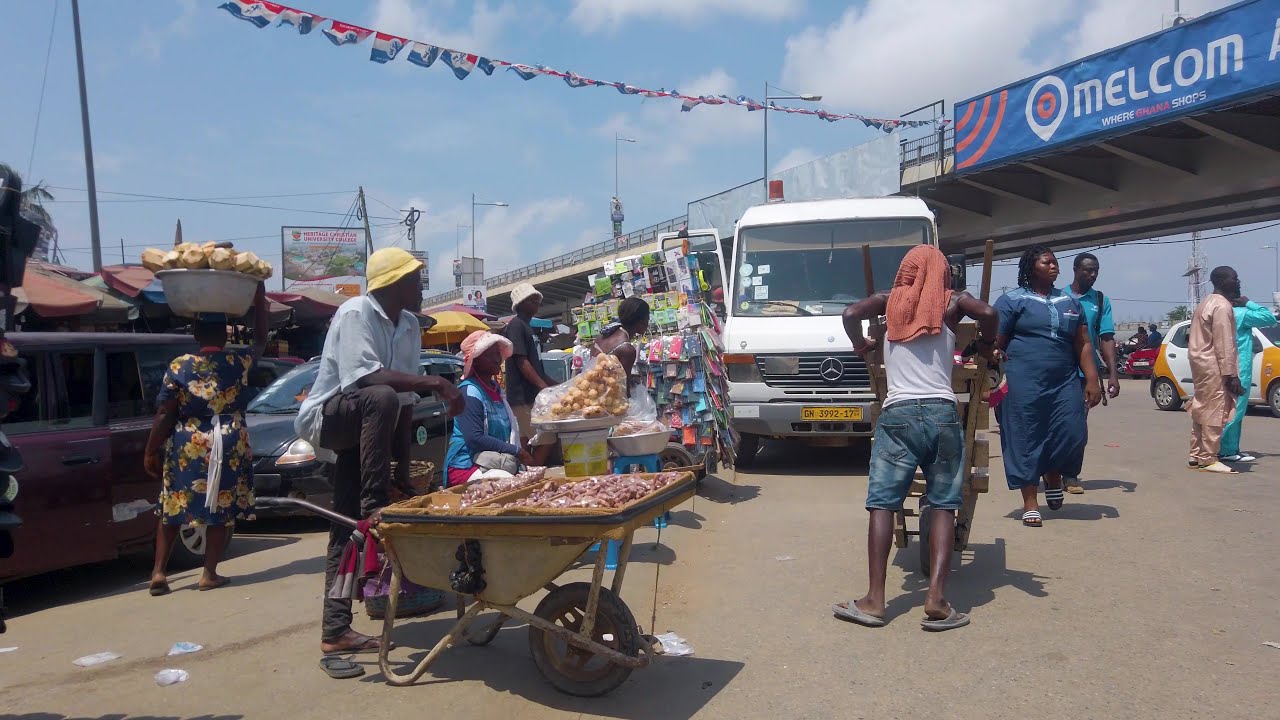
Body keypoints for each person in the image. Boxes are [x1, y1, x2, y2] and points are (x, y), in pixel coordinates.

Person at [294, 247, 464, 675]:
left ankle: (335, 629)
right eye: (414, 279)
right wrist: (438, 382)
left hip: (367, 430)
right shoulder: (355, 313)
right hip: (331, 418)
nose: (420, 287)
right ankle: (373, 500)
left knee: (344, 527)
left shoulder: (407, 325)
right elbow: (367, 381)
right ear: (391, 285)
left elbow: (404, 406)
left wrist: (403, 475)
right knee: (381, 394)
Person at [834, 245, 997, 631]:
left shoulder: (889, 302)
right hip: (942, 414)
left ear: (907, 271)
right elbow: (989, 314)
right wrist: (987, 345)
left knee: (883, 504)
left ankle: (874, 600)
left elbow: (849, 314)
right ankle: (937, 600)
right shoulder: (953, 302)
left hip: (898, 415)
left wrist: (861, 345)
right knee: (942, 505)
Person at [144, 283, 269, 596]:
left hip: (189, 441)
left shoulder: (179, 365)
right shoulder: (237, 363)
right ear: (225, 335)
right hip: (228, 440)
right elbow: (262, 338)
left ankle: (159, 572)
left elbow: (164, 414)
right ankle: (208, 573)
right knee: (221, 505)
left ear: (196, 333)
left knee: (173, 502)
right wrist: (259, 295)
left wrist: (150, 450)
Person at [995, 246, 1102, 528]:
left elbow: (1084, 343)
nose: (1054, 266)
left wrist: (1092, 379)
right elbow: (997, 343)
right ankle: (1031, 502)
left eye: (1055, 262)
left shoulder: (1070, 302)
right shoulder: (1011, 301)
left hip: (1064, 380)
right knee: (1025, 436)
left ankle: (1053, 476)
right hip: (1022, 381)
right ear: (1032, 267)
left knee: (1071, 431)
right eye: (1047, 262)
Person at [444, 331, 533, 487]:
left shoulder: (496, 390)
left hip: (493, 461)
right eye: (489, 355)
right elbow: (475, 438)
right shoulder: (469, 392)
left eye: (497, 353)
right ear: (475, 361)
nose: (496, 359)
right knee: (508, 485)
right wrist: (518, 451)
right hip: (466, 466)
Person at [1064, 252, 1119, 494]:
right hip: (1056, 370)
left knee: (1077, 427)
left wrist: (1112, 375)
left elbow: (1106, 337)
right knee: (1053, 424)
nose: (1092, 274)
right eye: (1087, 270)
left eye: (1096, 270)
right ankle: (1050, 472)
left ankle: (1070, 475)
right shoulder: (1058, 295)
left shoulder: (1100, 300)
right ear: (1075, 269)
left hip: (1083, 375)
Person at [1186, 266, 1245, 473]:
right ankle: (1208, 458)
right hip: (1214, 366)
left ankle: (1196, 454)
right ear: (1221, 281)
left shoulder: (1205, 303)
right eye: (1234, 278)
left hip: (1200, 364)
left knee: (1201, 409)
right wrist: (1231, 374)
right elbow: (1224, 343)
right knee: (1215, 410)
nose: (1238, 282)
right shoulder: (1221, 306)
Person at [1219, 293, 1277, 463]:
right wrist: (1249, 303)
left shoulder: (1222, 314)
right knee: (1237, 410)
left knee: (1229, 409)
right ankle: (1227, 449)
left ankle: (1228, 448)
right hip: (1240, 367)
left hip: (1226, 366)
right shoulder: (1240, 314)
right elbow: (1268, 318)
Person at [502, 283, 555, 441]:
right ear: (522, 303)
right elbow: (521, 361)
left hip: (531, 396)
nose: (537, 303)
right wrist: (543, 386)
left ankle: (528, 465)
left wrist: (557, 386)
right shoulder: (516, 326)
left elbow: (537, 367)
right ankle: (532, 464)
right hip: (522, 397)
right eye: (532, 300)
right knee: (544, 438)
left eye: (537, 300)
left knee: (529, 440)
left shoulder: (527, 327)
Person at [590, 296, 651, 382]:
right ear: (641, 322)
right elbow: (624, 388)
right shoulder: (627, 349)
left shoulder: (602, 336)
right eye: (647, 319)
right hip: (605, 394)